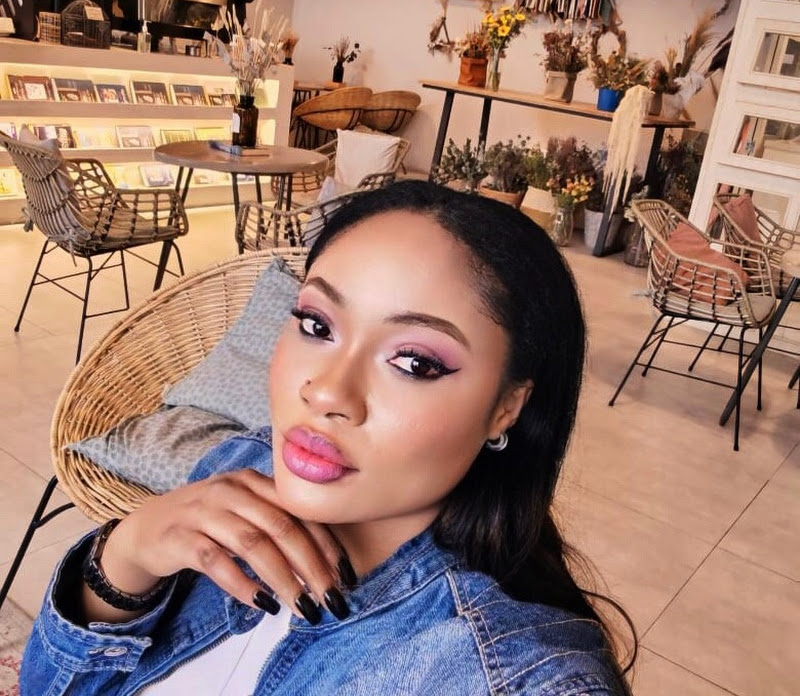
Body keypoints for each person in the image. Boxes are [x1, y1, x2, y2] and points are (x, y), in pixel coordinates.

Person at [21, 181, 635, 695]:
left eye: (415, 362)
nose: (327, 393)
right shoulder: (242, 463)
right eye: (316, 325)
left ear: (506, 408)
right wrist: (123, 559)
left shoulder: (517, 676)